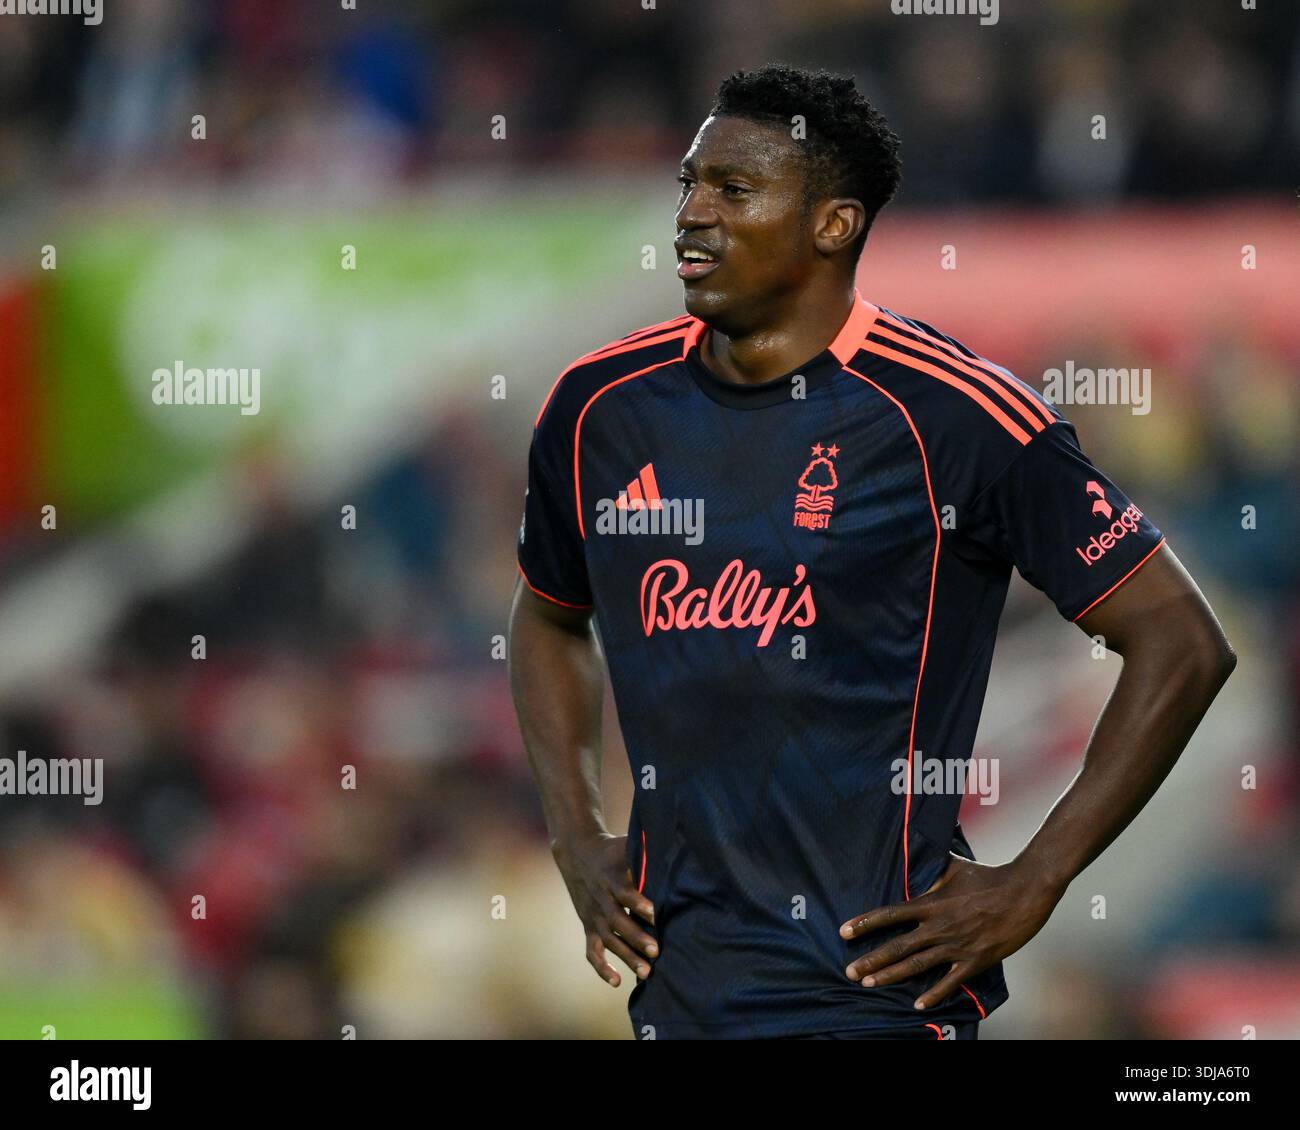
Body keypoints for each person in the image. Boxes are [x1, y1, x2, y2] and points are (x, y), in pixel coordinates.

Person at [507, 64, 1236, 1040]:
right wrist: (571, 832)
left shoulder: (957, 413)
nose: (692, 214)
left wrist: (1038, 874)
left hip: (879, 990)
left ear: (832, 225)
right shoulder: (599, 408)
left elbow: (1180, 640)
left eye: (733, 189)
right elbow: (549, 613)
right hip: (680, 991)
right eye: (688, 183)